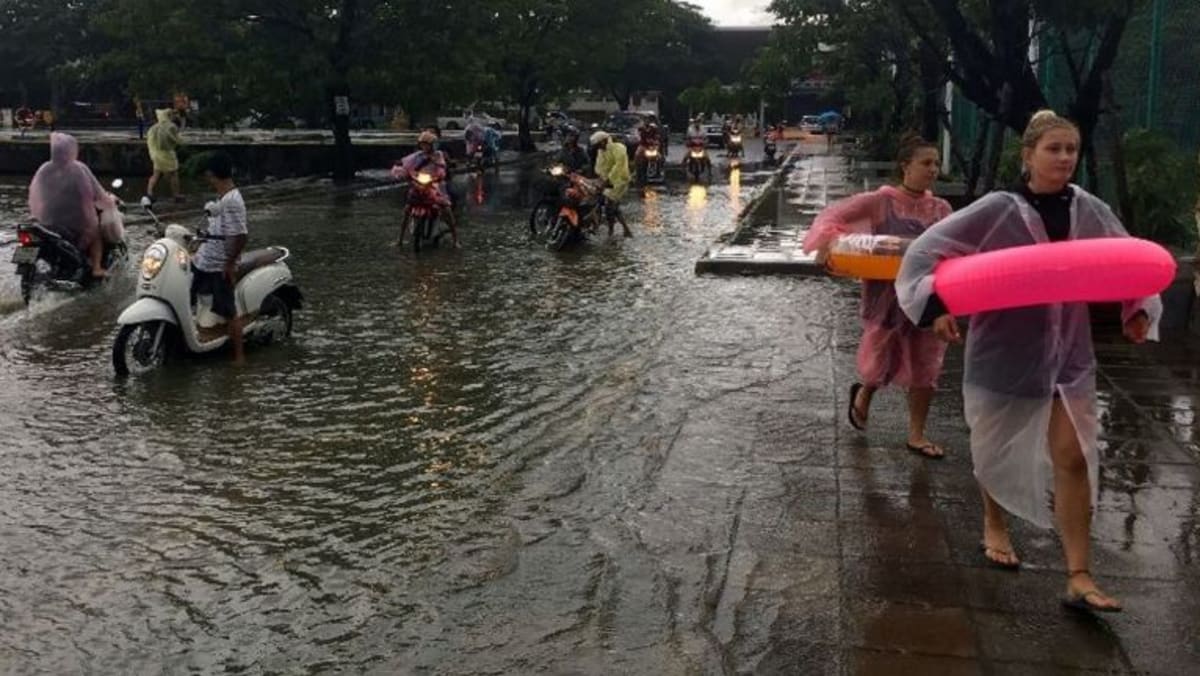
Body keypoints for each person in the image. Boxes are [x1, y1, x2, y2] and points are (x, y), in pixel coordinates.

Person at [896, 110, 1161, 612]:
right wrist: (937, 308)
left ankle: (1079, 575)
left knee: (1074, 456)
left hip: (1069, 355)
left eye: (1072, 150)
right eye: (1054, 149)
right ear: (1029, 155)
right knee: (996, 446)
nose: (1064, 158)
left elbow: (1124, 256)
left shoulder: (1089, 209)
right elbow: (925, 254)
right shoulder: (998, 209)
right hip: (1005, 348)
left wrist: (1138, 310)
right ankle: (995, 522)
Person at [802, 133, 952, 459]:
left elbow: (953, 247)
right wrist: (830, 244)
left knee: (927, 365)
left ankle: (916, 435)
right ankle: (865, 392)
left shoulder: (941, 209)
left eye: (936, 163)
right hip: (886, 296)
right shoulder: (880, 202)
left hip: (926, 296)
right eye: (926, 163)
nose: (933, 169)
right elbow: (832, 216)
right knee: (880, 358)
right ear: (905, 166)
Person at [28, 133, 119, 279]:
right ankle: (96, 267)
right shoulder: (78, 169)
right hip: (75, 224)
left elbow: (35, 194)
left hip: (47, 222)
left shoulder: (44, 169)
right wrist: (110, 200)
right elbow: (99, 194)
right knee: (96, 233)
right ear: (71, 151)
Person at [192, 152, 247, 363]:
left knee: (228, 310)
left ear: (211, 175)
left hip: (219, 265)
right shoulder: (222, 198)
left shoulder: (232, 201)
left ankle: (239, 358)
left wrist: (230, 264)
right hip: (204, 260)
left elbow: (241, 235)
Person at [393, 130, 460, 248]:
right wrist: (400, 171)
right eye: (423, 144)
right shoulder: (416, 156)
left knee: (446, 209)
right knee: (407, 210)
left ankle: (456, 240)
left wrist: (438, 176)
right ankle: (400, 239)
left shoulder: (438, 155)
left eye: (427, 144)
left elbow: (442, 168)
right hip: (417, 186)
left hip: (434, 186)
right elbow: (404, 165)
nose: (425, 147)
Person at [590, 131, 633, 238]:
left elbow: (619, 166)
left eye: (599, 144)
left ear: (604, 141)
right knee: (612, 206)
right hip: (607, 182)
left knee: (610, 206)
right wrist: (600, 178)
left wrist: (608, 179)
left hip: (620, 181)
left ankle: (611, 231)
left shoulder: (619, 148)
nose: (598, 147)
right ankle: (625, 229)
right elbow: (600, 166)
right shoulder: (601, 151)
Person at [146, 109, 183, 203]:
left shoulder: (154, 128)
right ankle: (176, 195)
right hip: (167, 154)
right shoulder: (169, 127)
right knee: (174, 174)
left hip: (156, 154)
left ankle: (149, 193)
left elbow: (150, 140)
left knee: (156, 174)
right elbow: (175, 140)